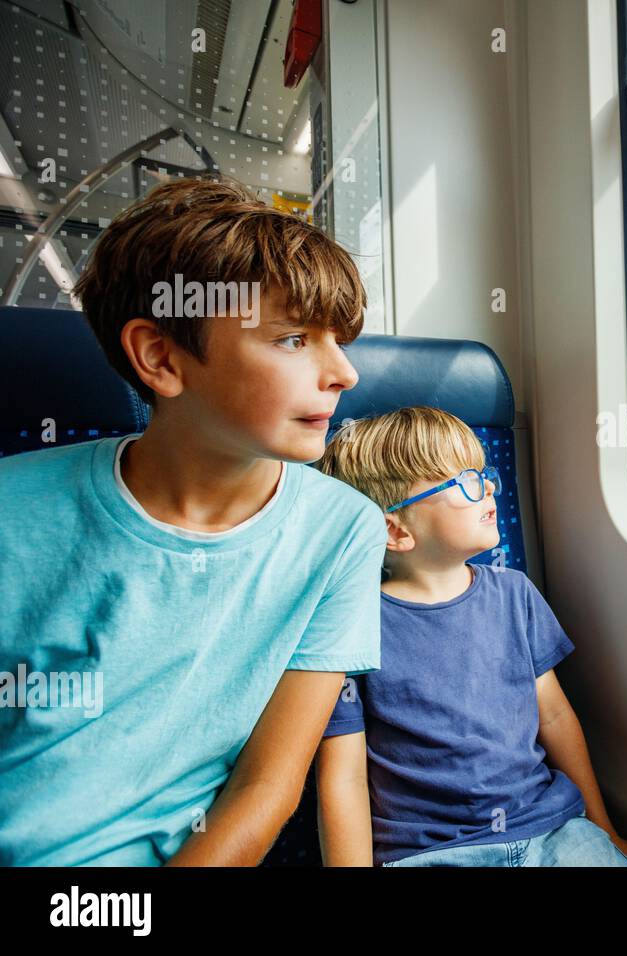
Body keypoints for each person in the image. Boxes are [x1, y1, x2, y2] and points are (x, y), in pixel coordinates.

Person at [0, 177, 387, 865]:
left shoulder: (344, 531)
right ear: (161, 357)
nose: (344, 374)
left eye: (340, 339)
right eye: (294, 339)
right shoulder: (14, 507)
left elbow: (267, 787)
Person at [314, 406, 627, 867]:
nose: (487, 486)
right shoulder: (352, 625)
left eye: (483, 473)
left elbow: (555, 717)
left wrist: (608, 835)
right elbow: (342, 775)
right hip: (430, 852)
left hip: (551, 830)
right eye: (464, 481)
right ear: (395, 530)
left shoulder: (514, 595)